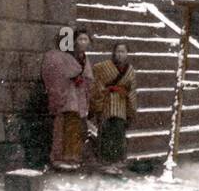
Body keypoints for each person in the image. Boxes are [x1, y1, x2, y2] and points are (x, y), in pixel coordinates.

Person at [41, 26, 92, 171]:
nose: (82, 42)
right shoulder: (60, 56)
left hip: (78, 95)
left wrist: (82, 80)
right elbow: (56, 74)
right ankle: (58, 157)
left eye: (85, 39)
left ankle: (72, 157)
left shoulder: (84, 58)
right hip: (66, 95)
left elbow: (88, 77)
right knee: (61, 127)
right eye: (80, 39)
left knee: (75, 127)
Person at [90, 42, 138, 173]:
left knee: (118, 134)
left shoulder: (130, 70)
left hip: (121, 106)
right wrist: (99, 102)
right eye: (118, 51)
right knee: (106, 133)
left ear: (127, 54)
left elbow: (132, 90)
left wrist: (131, 110)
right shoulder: (102, 67)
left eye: (123, 52)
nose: (120, 54)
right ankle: (105, 162)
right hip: (106, 104)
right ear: (113, 52)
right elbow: (97, 85)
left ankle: (116, 162)